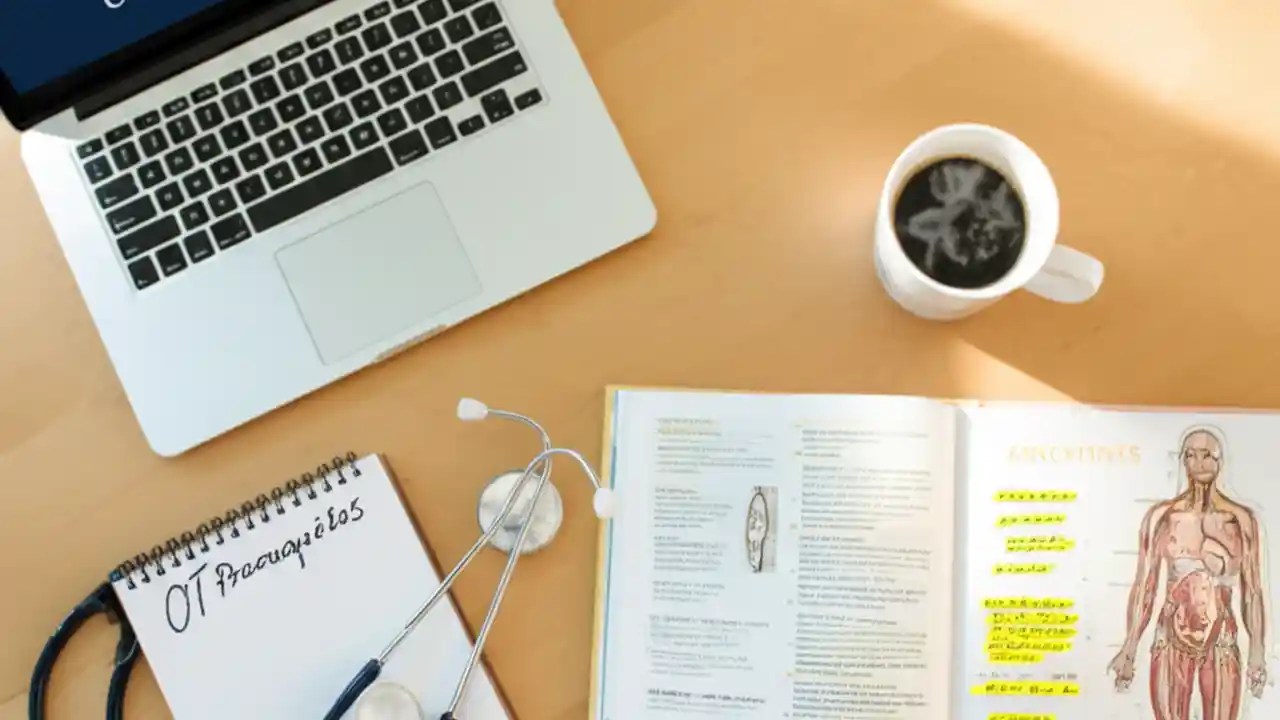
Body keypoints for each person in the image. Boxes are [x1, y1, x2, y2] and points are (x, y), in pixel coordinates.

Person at [1108, 427, 1268, 720]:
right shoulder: (1162, 517)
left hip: (1221, 635)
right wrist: (1129, 647)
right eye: (1192, 455)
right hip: (1170, 635)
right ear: (1183, 460)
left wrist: (1257, 649)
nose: (1199, 463)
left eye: (1207, 455)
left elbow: (1253, 591)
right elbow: (1145, 585)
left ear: (1220, 461)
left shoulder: (1239, 519)